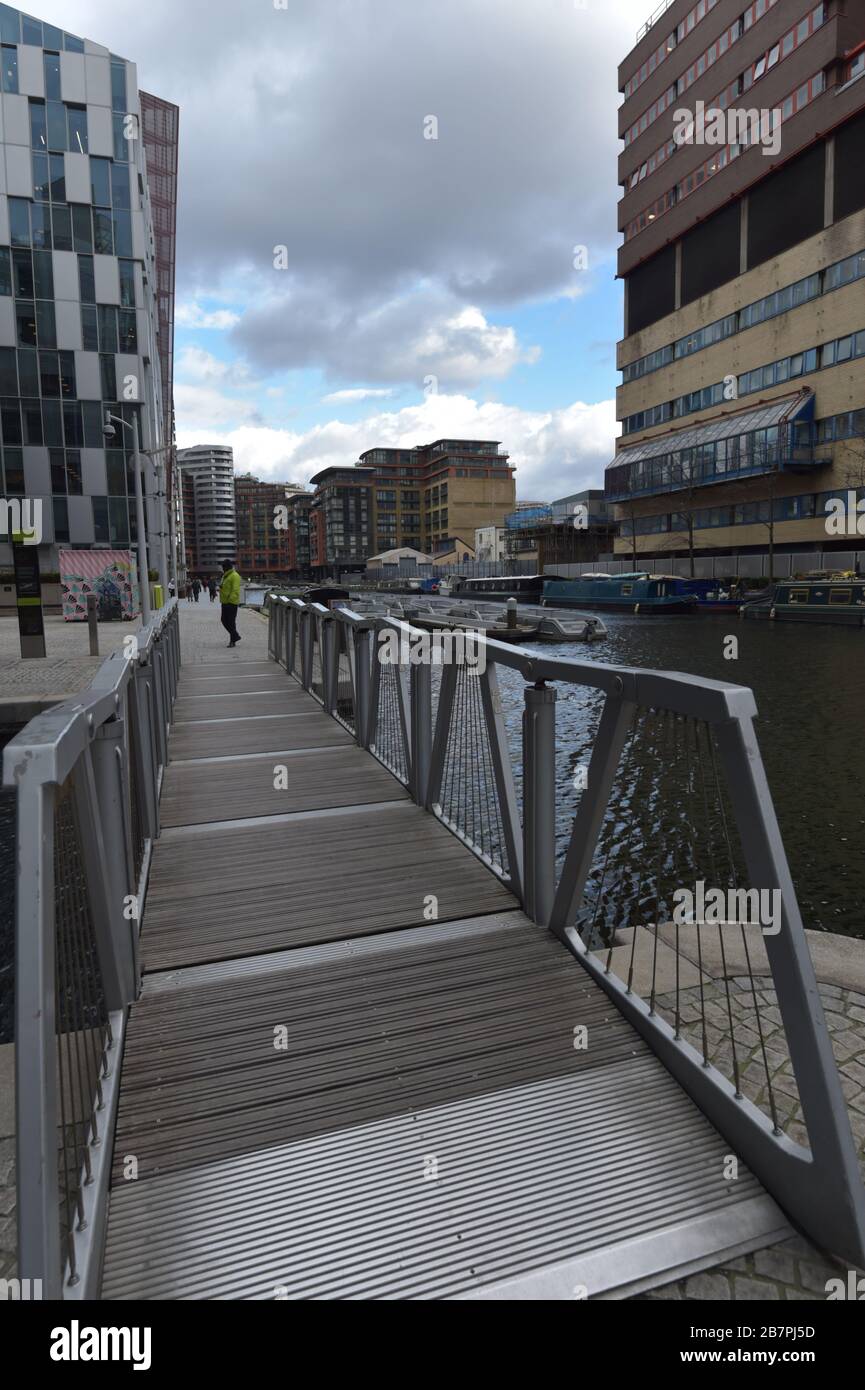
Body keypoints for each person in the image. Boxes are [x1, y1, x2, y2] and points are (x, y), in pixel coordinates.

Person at [219, 558, 242, 647]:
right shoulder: (225, 576)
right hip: (225, 602)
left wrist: (230, 601)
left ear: (227, 567)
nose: (222, 569)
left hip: (231, 603)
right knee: (224, 620)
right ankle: (235, 636)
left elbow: (235, 590)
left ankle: (233, 640)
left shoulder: (234, 576)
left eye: (223, 567)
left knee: (231, 622)